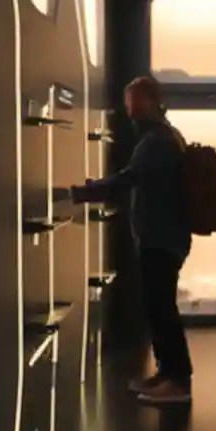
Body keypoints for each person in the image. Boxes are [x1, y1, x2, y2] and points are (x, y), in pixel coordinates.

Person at [71, 76, 193, 404]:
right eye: (129, 101)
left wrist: (88, 191)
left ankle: (178, 382)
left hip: (160, 238)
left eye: (136, 101)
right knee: (159, 307)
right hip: (166, 236)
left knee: (161, 309)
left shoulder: (156, 141)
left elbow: (131, 178)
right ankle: (167, 374)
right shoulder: (166, 136)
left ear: (153, 101)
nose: (130, 108)